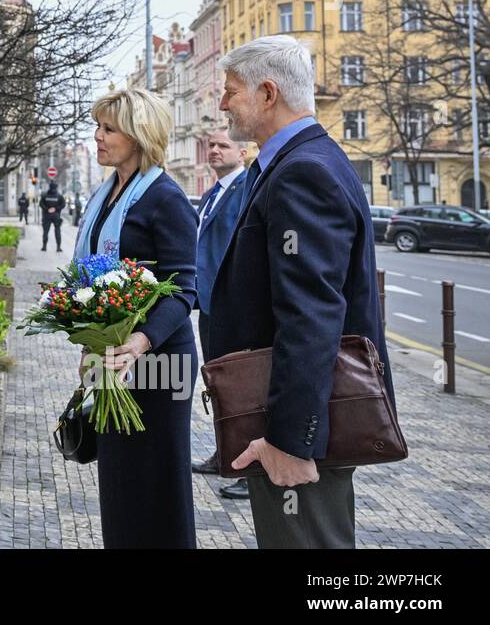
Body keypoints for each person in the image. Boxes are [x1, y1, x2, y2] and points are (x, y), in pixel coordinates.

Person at [210, 36, 394, 549]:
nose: (223, 104)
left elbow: (310, 316)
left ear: (267, 93)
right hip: (292, 418)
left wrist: (292, 441)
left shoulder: (302, 171)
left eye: (231, 91)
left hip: (301, 430)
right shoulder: (300, 160)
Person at [75, 88, 198, 549]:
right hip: (114, 358)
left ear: (138, 133)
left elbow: (186, 286)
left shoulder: (165, 197)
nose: (98, 137)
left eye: (108, 129)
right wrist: (91, 342)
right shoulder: (107, 194)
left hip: (160, 362)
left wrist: (141, 341)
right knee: (121, 484)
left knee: (158, 486)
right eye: (98, 127)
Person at [190, 128, 249, 494]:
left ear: (242, 152)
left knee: (240, 389)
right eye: (211, 145)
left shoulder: (245, 191)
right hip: (209, 304)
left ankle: (248, 468)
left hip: (233, 306)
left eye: (223, 145)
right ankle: (225, 454)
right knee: (217, 384)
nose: (214, 150)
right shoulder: (214, 192)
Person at [40, 180, 65, 251]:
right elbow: (63, 204)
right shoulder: (59, 196)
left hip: (47, 215)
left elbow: (41, 204)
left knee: (45, 231)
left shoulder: (45, 195)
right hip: (56, 215)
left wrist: (47, 209)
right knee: (57, 231)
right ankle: (58, 247)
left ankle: (44, 246)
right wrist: (56, 209)